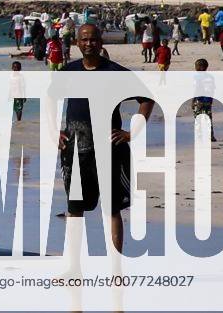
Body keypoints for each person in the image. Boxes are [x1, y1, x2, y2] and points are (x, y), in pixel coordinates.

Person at [58, 24, 154, 253]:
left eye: (93, 40)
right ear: (77, 43)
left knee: (111, 210)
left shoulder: (115, 72)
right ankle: (73, 267)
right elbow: (50, 98)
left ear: (100, 42)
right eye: (84, 40)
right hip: (75, 152)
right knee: (74, 210)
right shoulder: (68, 71)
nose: (88, 44)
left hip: (110, 151)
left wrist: (132, 132)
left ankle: (115, 268)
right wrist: (54, 129)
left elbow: (147, 100)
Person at [192, 59, 217, 142]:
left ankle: (199, 136)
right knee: (208, 118)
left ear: (201, 68)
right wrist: (211, 99)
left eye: (196, 66)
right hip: (208, 101)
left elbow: (197, 89)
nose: (195, 68)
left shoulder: (197, 77)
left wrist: (193, 101)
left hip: (199, 100)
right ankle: (211, 136)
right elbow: (213, 89)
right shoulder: (211, 77)